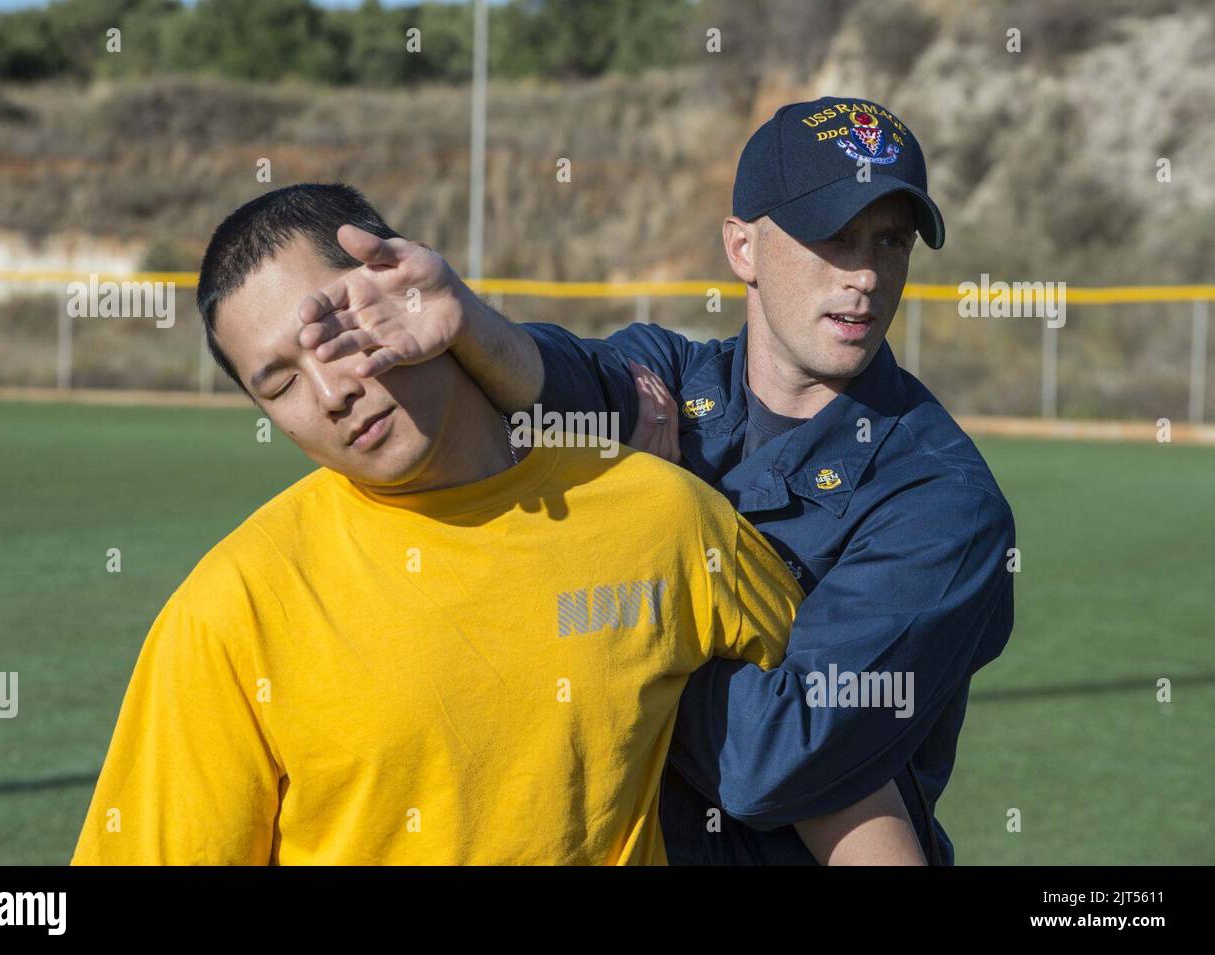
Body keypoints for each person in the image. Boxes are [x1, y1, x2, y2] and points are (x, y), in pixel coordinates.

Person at [71, 183, 926, 865]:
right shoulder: (230, 611)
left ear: (405, 286)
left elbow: (836, 770)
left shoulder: (662, 514)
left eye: (331, 335)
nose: (329, 392)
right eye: (279, 384)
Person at [294, 97, 1017, 864]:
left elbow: (772, 759)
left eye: (891, 240)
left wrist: (641, 539)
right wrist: (468, 321)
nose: (866, 275)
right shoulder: (671, 374)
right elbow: (559, 384)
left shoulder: (943, 503)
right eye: (834, 237)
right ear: (742, 249)